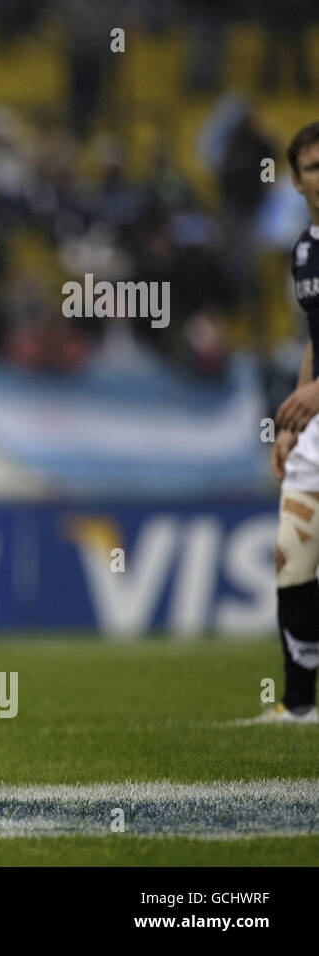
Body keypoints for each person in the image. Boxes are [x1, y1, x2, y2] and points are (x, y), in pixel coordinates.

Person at [259, 121, 319, 724]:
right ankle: (299, 704)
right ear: (297, 179)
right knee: (291, 555)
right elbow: (315, 339)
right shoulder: (304, 249)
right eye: (315, 166)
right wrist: (296, 418)